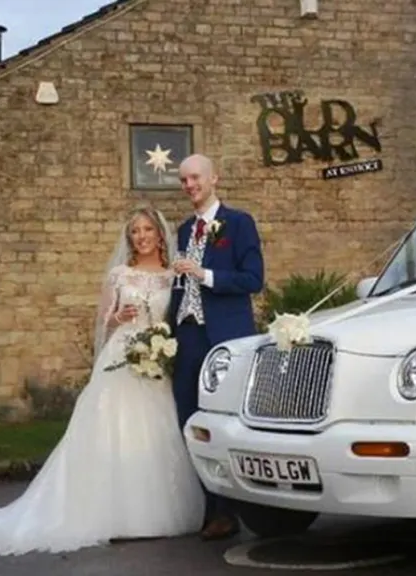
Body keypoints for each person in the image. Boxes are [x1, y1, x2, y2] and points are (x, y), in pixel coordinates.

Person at [0, 206, 206, 557]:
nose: (141, 236)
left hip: (156, 364)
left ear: (160, 235)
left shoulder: (171, 276)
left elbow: (178, 319)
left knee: (153, 433)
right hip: (121, 358)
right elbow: (104, 321)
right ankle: (108, 512)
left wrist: (164, 348)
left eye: (146, 230)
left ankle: (154, 513)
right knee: (109, 430)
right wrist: (119, 316)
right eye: (134, 231)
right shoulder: (119, 274)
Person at [168, 153, 264, 540]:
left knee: (226, 424)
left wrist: (204, 274)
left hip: (225, 338)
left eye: (195, 178)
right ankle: (211, 509)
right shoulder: (182, 231)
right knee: (189, 422)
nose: (189, 185)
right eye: (183, 180)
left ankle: (237, 510)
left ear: (214, 179)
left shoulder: (239, 224)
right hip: (187, 337)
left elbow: (253, 279)